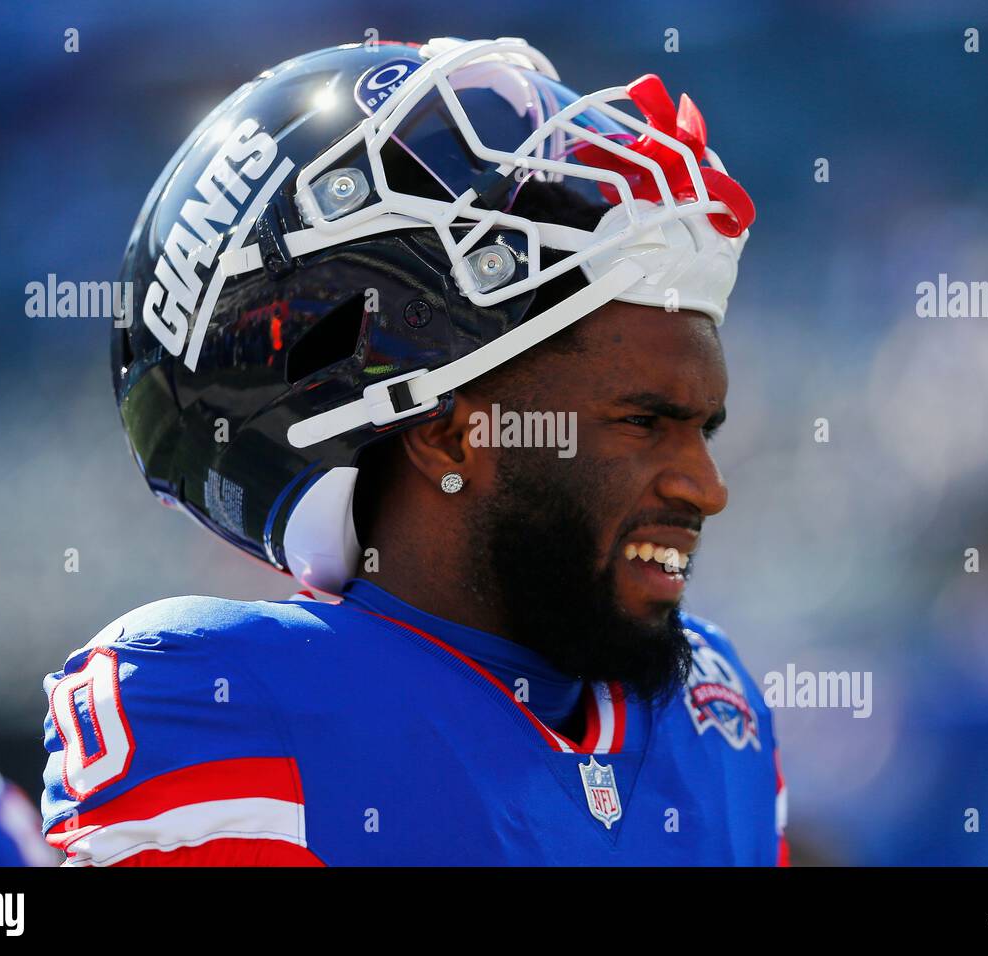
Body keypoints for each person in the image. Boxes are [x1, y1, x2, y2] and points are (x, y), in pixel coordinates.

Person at [41, 36, 785, 865]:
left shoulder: (717, 716)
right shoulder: (235, 706)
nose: (707, 488)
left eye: (701, 428)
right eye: (644, 423)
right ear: (445, 432)